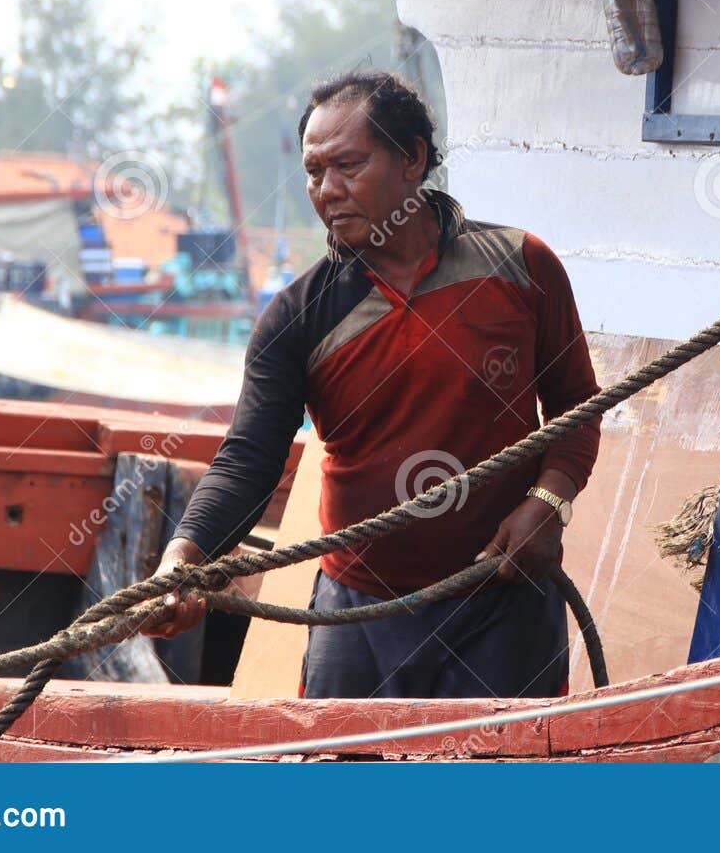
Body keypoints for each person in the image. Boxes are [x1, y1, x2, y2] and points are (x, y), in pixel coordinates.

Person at [141, 70, 601, 700]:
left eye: (348, 166)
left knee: (505, 765)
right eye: (313, 172)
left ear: (412, 158)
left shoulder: (520, 265)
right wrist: (181, 562)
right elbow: (248, 458)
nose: (327, 190)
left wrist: (549, 504)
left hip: (503, 599)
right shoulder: (298, 317)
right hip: (358, 612)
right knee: (342, 766)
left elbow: (577, 405)